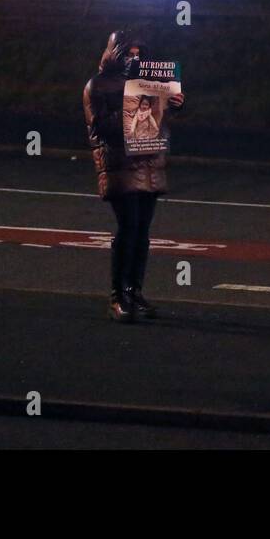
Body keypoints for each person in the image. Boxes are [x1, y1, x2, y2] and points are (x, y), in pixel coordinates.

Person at [83, 28, 185, 323]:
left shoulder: (149, 82)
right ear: (115, 53)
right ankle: (118, 296)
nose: (134, 58)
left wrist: (173, 103)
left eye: (139, 54)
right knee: (128, 227)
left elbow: (159, 117)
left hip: (149, 162)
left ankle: (134, 291)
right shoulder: (98, 85)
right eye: (129, 53)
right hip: (120, 164)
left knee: (141, 231)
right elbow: (100, 127)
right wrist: (133, 107)